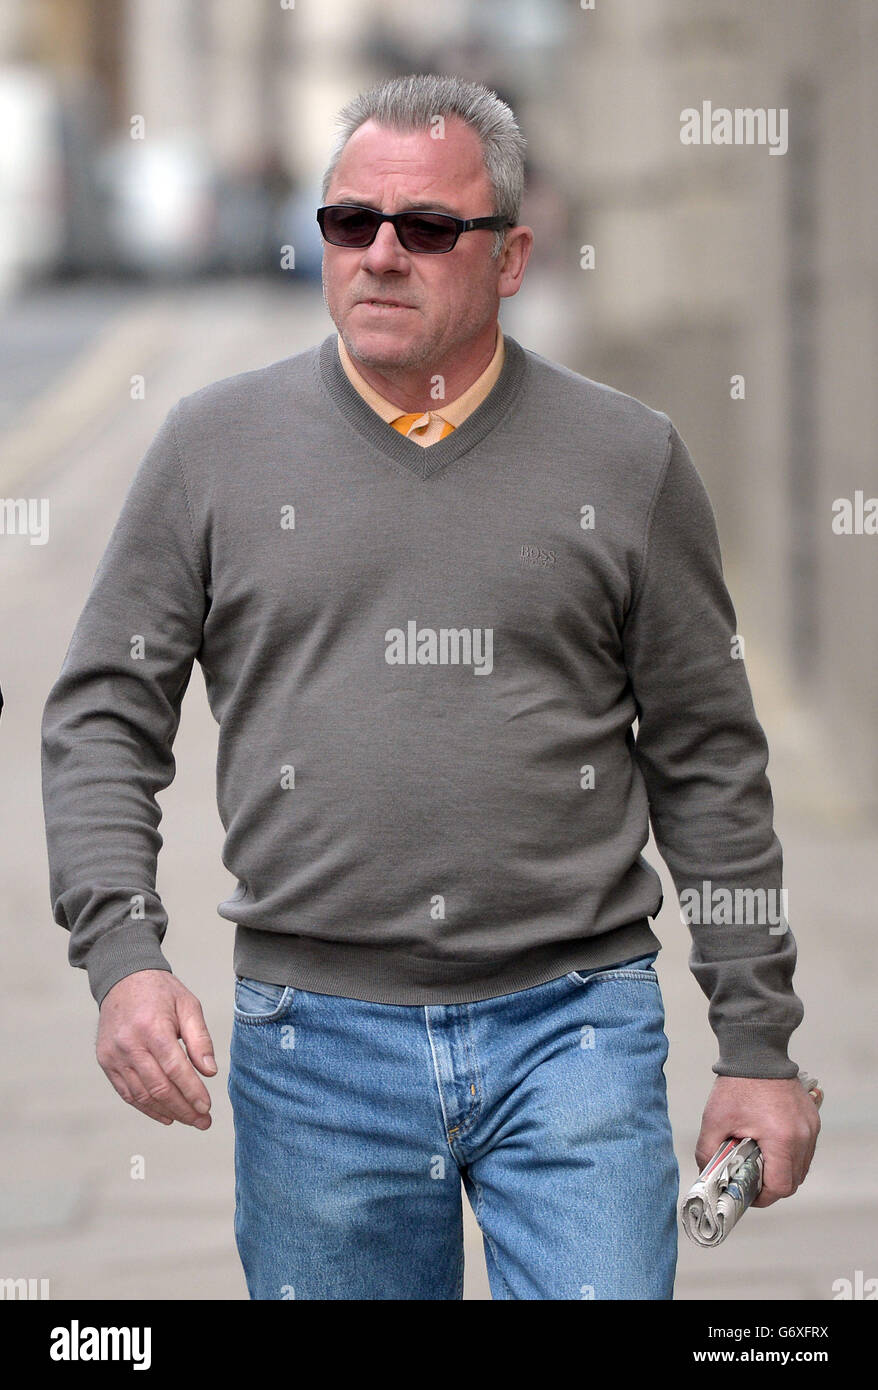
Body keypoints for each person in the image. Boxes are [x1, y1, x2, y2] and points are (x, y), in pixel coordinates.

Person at [40, 73, 820, 1301]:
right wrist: (123, 954)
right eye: (350, 221)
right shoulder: (211, 449)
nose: (380, 255)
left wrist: (757, 1045)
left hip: (576, 1030)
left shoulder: (628, 461)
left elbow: (707, 757)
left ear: (511, 255)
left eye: (426, 228)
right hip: (313, 1048)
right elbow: (99, 715)